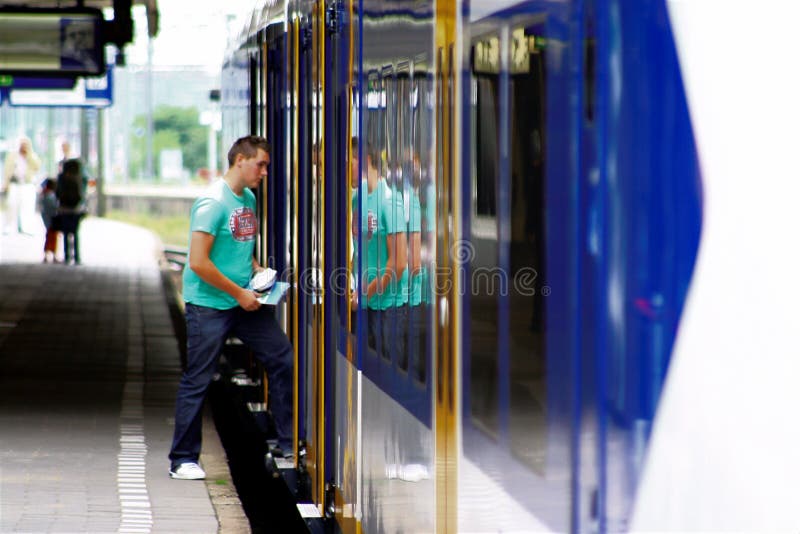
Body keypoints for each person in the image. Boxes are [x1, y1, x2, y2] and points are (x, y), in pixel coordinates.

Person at [169, 135, 293, 480]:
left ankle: (285, 440)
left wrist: (256, 271)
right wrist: (239, 293)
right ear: (240, 160)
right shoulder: (212, 203)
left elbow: (241, 246)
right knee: (198, 378)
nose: (265, 171)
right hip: (210, 305)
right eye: (261, 164)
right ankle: (181, 459)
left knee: (282, 357)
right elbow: (198, 262)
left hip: (242, 300)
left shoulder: (248, 198)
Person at [350, 138, 408, 363]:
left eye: (349, 163)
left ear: (364, 162)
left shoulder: (389, 201)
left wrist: (366, 293)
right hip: (366, 301)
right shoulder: (358, 198)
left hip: (388, 307)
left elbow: (399, 263)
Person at [2, 136, 42, 234]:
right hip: (14, 184)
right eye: (22, 145)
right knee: (11, 206)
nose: (23, 147)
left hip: (27, 184)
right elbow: (7, 170)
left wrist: (28, 155)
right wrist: (5, 183)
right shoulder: (12, 156)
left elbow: (37, 166)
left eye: (25, 145)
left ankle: (26, 227)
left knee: (27, 207)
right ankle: (10, 227)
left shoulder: (32, 155)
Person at [56, 159, 88, 265]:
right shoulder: (79, 178)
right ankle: (77, 257)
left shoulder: (61, 177)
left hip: (64, 209)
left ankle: (66, 256)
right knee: (75, 233)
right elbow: (82, 193)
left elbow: (57, 193)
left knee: (66, 233)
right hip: (76, 209)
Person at [38, 178, 59, 263]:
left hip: (47, 220)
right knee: (52, 238)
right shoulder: (51, 196)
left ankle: (47, 255)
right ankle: (52, 255)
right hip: (52, 220)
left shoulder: (44, 195)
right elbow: (54, 208)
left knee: (48, 237)